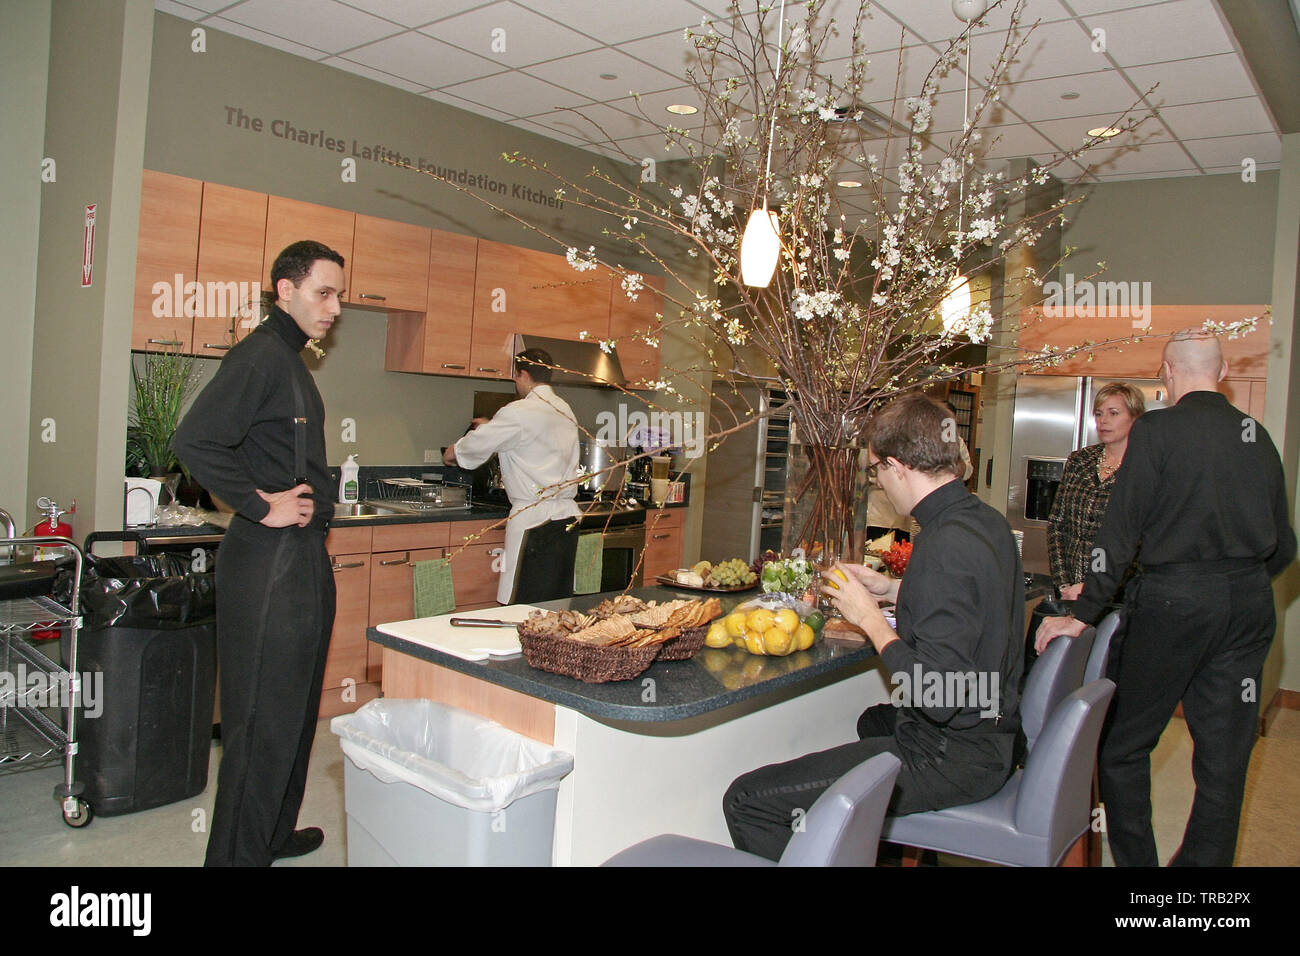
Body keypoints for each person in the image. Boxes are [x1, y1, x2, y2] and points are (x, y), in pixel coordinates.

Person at [723, 393, 1024, 861]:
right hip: (995, 734)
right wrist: (892, 590)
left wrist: (869, 621)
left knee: (748, 800)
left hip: (950, 754)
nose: (880, 484)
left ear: (899, 466)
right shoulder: (984, 521)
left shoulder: (944, 545)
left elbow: (938, 697)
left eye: (877, 471)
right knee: (870, 721)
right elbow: (973, 603)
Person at [1036, 332, 1296, 867]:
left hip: (1173, 602)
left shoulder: (1154, 431)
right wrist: (1238, 585)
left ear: (1166, 372)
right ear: (1221, 371)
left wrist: (1083, 614)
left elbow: (1119, 534)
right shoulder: (1257, 436)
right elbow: (1285, 544)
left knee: (1124, 746)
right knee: (1224, 760)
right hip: (1248, 604)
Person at [174, 240, 345, 866]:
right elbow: (194, 440)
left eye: (338, 295)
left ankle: (271, 834)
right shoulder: (260, 357)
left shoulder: (291, 361)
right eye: (323, 292)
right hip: (268, 558)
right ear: (285, 290)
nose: (334, 307)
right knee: (257, 721)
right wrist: (260, 503)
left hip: (300, 556)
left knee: (295, 712)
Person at [443, 348, 580, 604]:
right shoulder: (565, 410)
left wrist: (451, 454)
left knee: (521, 605)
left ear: (524, 374)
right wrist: (492, 428)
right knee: (555, 606)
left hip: (533, 520)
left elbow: (475, 447)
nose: (516, 383)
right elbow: (530, 442)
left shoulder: (518, 412)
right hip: (566, 518)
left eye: (516, 377)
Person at [1047, 382, 1146, 601]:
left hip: (1118, 594)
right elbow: (1057, 524)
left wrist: (1093, 586)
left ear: (1135, 417)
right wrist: (1063, 583)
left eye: (1114, 413)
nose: (1104, 421)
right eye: (1099, 413)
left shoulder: (1144, 468)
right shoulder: (1079, 460)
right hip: (1068, 591)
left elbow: (1140, 542)